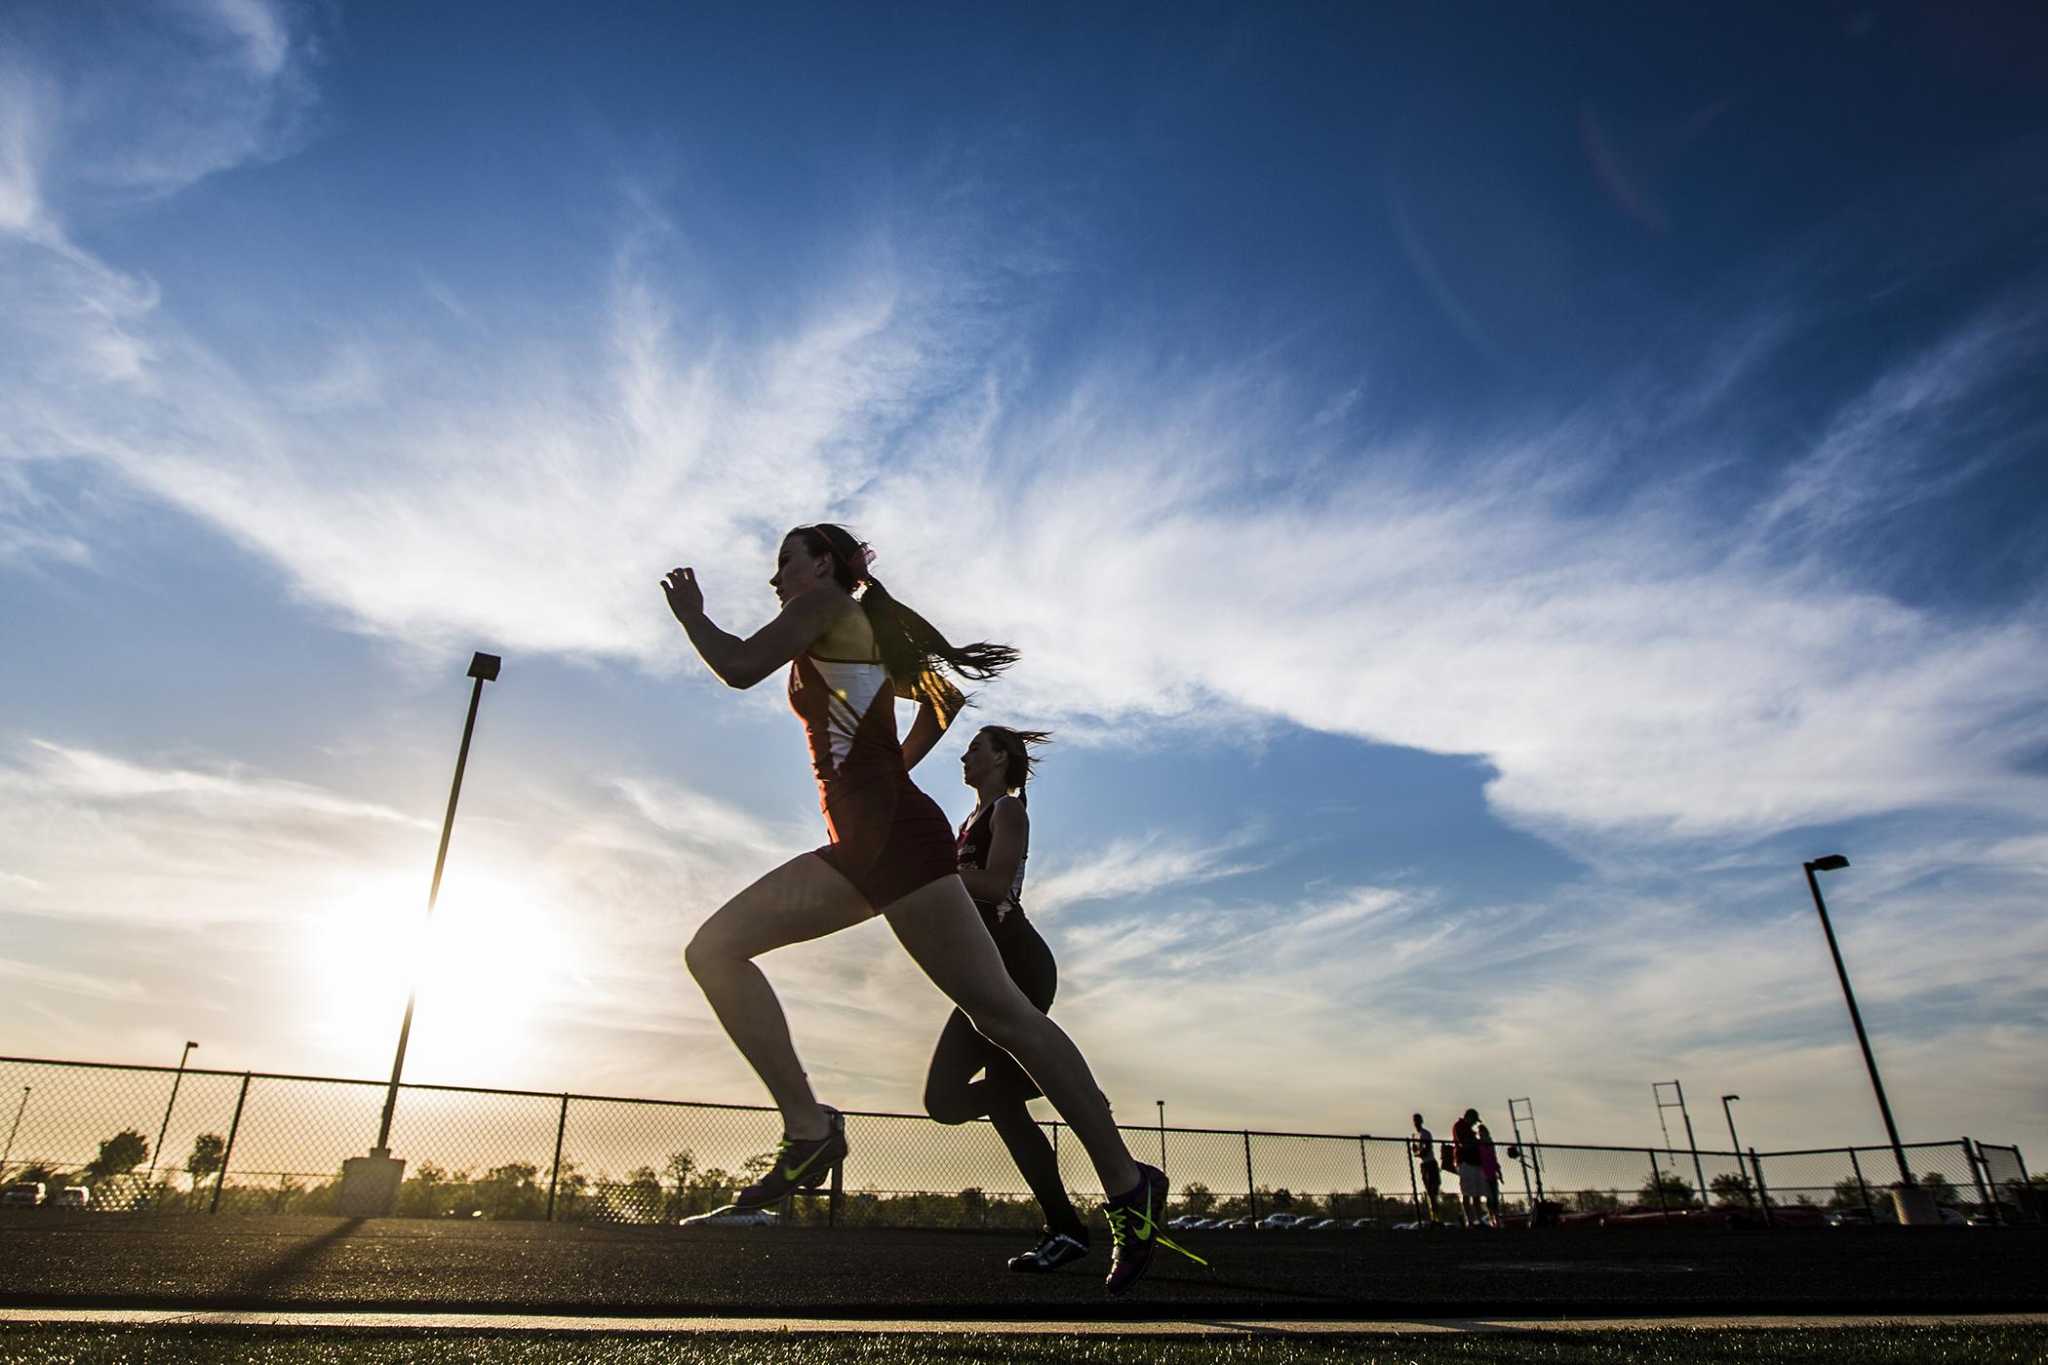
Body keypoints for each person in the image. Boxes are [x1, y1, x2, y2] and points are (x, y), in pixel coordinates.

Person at [662, 525, 1174, 1294]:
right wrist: (886, 775)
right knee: (716, 951)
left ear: (825, 565)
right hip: (865, 839)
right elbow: (945, 694)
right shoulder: (848, 628)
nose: (776, 579)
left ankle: (1128, 1188)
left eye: (785, 563)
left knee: (1003, 1013)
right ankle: (809, 1129)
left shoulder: (826, 604)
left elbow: (738, 666)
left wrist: (693, 615)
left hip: (892, 839)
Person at [919, 724, 1090, 1272]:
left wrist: (935, 872)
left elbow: (995, 887)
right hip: (984, 970)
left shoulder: (1008, 812)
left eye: (975, 748)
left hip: (1017, 964)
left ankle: (1067, 1228)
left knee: (992, 1097)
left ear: (1000, 758)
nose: (964, 756)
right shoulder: (967, 821)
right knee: (951, 1101)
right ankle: (1074, 1216)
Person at [1452, 1107, 1486, 1228]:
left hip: (1474, 1162)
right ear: (1469, 1117)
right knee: (1467, 1192)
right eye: (1474, 1120)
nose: (1474, 1123)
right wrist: (1476, 1143)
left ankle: (1479, 1220)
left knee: (1476, 1193)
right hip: (1466, 1162)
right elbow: (1465, 1144)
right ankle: (1470, 1221)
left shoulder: (1469, 1130)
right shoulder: (1459, 1126)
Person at [1410, 1114, 1441, 1224]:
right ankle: (1434, 1217)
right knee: (1429, 1192)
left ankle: (1437, 1217)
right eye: (1415, 1120)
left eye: (1418, 1120)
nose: (1416, 1122)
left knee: (1434, 1191)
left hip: (1430, 1163)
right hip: (1424, 1164)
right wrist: (1417, 1152)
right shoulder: (1415, 1135)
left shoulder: (1425, 1134)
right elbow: (1415, 1150)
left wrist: (1418, 1152)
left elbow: (1426, 1149)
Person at [1476, 1121, 1503, 1227]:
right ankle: (1492, 1218)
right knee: (1489, 1197)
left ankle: (1496, 1218)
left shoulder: (1489, 1143)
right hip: (1484, 1173)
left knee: (1494, 1197)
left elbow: (1493, 1158)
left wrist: (1498, 1171)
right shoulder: (1479, 1144)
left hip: (1491, 1173)